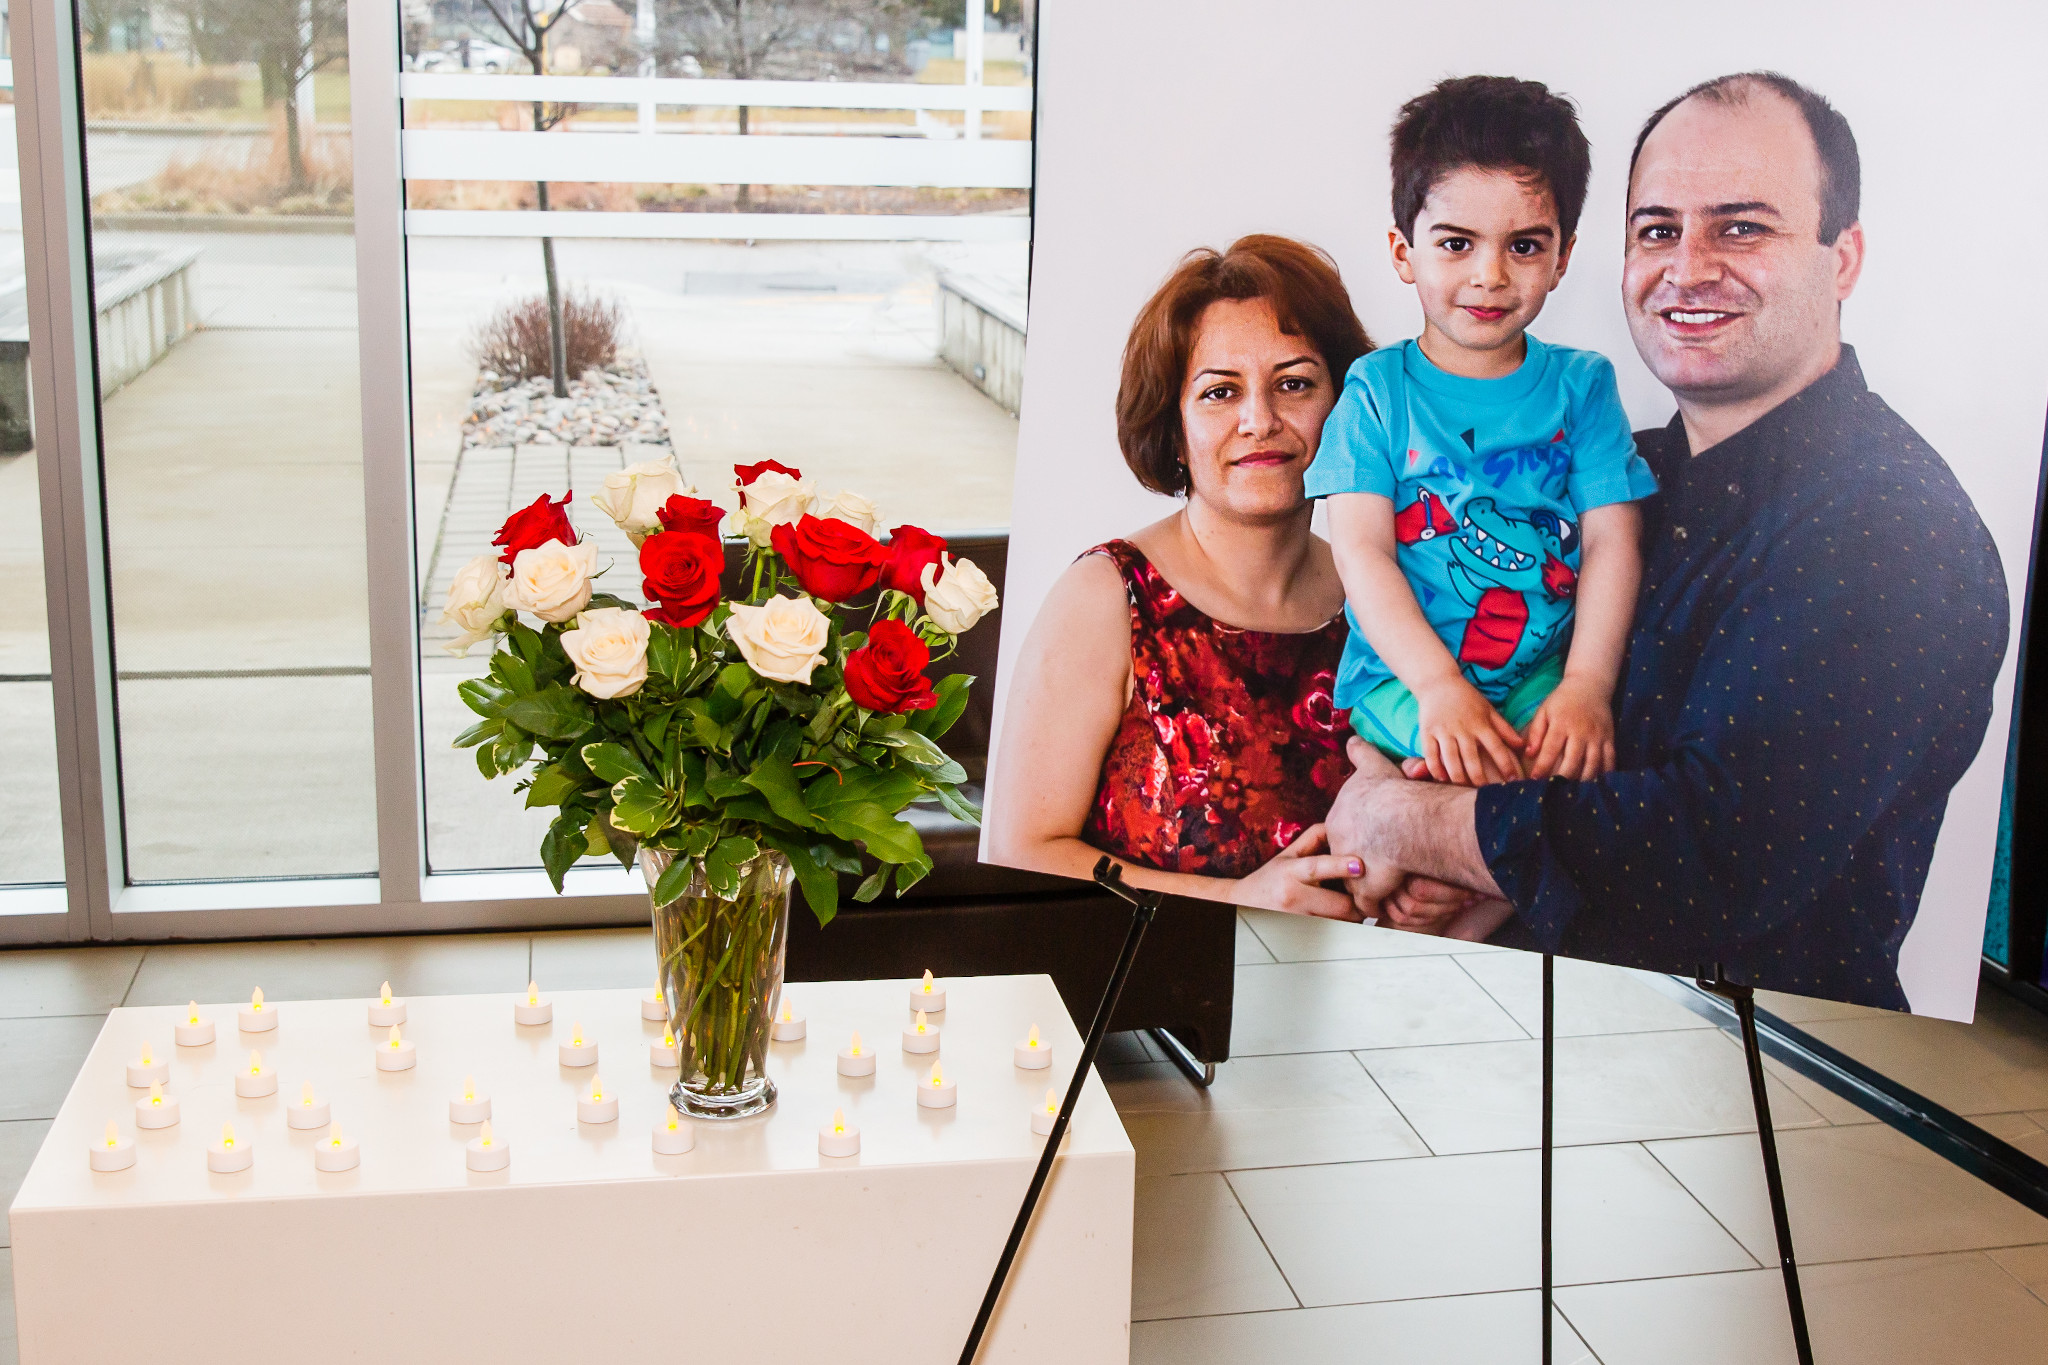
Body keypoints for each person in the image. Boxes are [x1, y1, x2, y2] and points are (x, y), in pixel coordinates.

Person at [1324, 72, 2009, 1009]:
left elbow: (1708, 854)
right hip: (1503, 1034)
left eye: (1742, 227)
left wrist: (1403, 819)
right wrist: (1432, 824)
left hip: (1743, 1068)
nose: (1687, 268)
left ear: (1843, 258)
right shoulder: (1618, 472)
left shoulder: (1892, 528)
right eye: (1656, 230)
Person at [1306, 76, 1658, 914]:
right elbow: (1362, 552)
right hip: (1404, 683)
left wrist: (1586, 687)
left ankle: (1450, 886)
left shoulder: (1582, 387)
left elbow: (1612, 540)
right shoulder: (1377, 392)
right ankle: (1407, 843)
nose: (1490, 276)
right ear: (1404, 252)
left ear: (1563, 256)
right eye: (1457, 244)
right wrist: (1438, 688)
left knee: (1574, 788)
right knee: (1459, 800)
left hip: (1539, 679)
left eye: (1524, 246)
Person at [986, 235, 1372, 918]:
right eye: (1221, 392)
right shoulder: (1106, 598)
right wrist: (1236, 902)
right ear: (1174, 429)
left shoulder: (1383, 594)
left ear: (1345, 406)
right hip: (1162, 985)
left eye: (1294, 383)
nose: (1260, 420)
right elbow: (1022, 853)